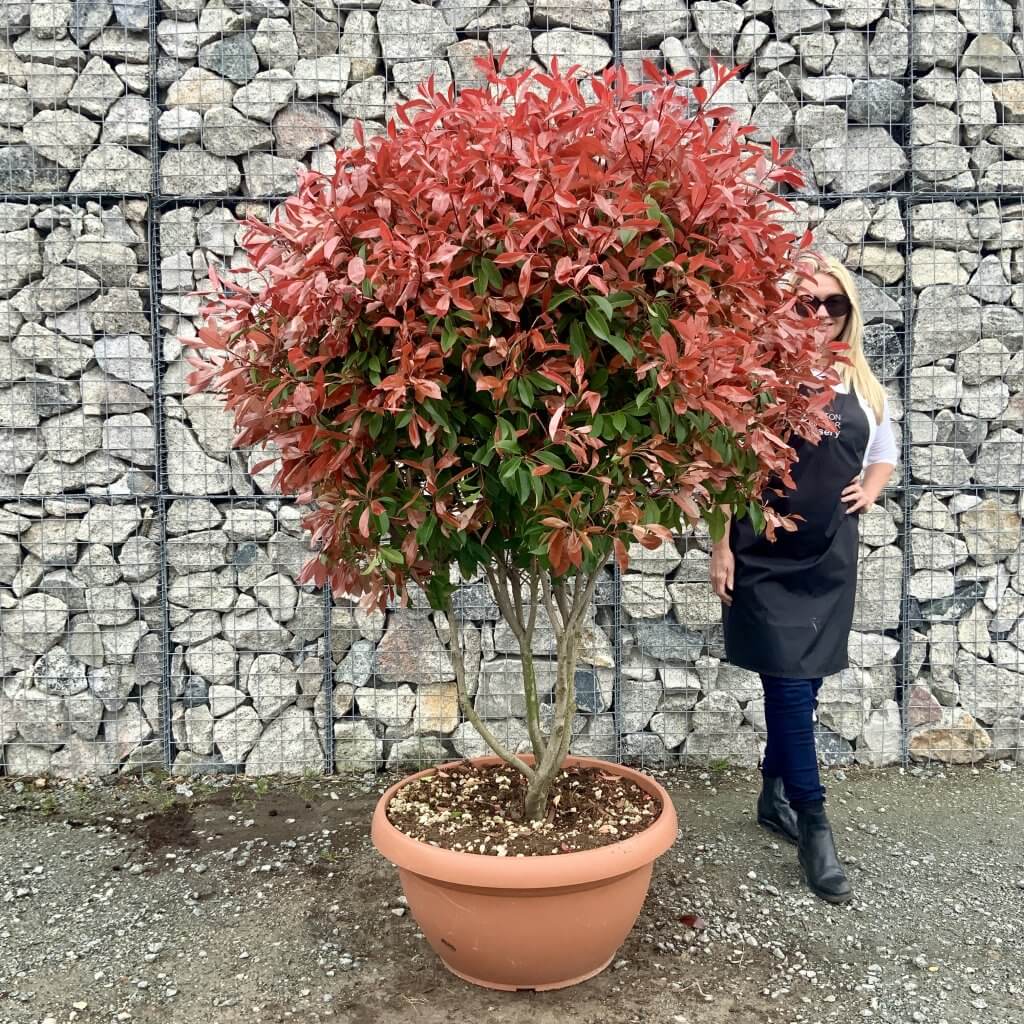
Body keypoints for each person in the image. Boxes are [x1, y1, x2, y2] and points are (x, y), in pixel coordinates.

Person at [710, 252, 898, 905]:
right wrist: (719, 547)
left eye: (832, 305)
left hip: (829, 561)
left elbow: (884, 456)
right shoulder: (763, 380)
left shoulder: (867, 391)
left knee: (803, 687)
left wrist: (869, 492)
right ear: (786, 313)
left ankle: (770, 795)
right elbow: (728, 469)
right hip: (762, 558)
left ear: (849, 315)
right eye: (804, 304)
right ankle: (814, 821)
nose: (818, 315)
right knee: (790, 691)